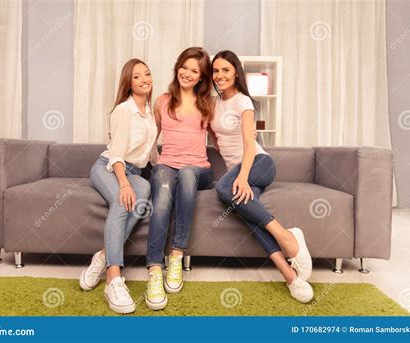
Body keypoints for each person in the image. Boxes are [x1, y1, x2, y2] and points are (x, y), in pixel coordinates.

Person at [209, 50, 314, 303]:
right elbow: (216, 134)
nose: (219, 75)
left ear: (236, 72)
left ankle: (287, 236)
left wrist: (242, 177)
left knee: (225, 188)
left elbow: (248, 144)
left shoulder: (243, 101)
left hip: (259, 163)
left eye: (225, 70)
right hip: (241, 168)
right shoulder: (214, 102)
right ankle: (289, 275)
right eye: (215, 70)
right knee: (247, 211)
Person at [79, 59, 158, 314]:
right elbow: (116, 156)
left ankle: (102, 255)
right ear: (128, 82)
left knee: (144, 190)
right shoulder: (123, 111)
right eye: (137, 76)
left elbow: (151, 151)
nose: (144, 79)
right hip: (109, 167)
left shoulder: (151, 112)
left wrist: (167, 170)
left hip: (135, 170)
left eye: (147, 74)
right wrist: (123, 185)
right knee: (122, 201)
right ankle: (113, 277)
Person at [145, 47, 214, 310]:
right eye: (184, 67)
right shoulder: (163, 101)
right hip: (167, 165)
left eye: (194, 70)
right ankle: (154, 268)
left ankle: (176, 255)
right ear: (177, 68)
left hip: (199, 170)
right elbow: (150, 136)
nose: (187, 73)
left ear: (201, 77)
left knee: (186, 172)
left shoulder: (208, 104)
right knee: (162, 195)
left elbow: (223, 138)